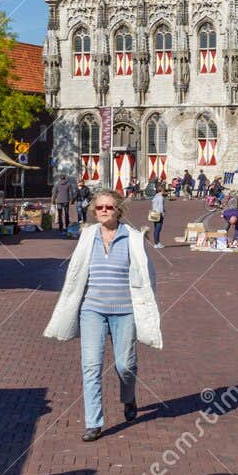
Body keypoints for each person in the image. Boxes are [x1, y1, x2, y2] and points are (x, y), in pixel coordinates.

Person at [43, 188, 162, 442]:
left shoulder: (132, 238)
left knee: (125, 365)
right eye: (99, 207)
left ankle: (128, 397)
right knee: (91, 366)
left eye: (109, 207)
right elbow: (76, 272)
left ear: (118, 209)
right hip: (92, 310)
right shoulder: (87, 237)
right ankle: (93, 422)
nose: (104, 211)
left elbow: (148, 275)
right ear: (93, 210)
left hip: (125, 311)